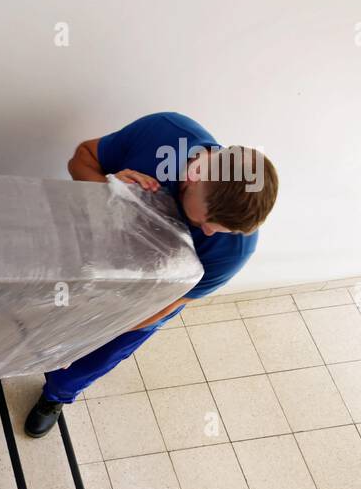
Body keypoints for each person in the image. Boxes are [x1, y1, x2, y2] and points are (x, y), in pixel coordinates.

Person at [24, 111, 278, 437]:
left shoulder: (234, 248)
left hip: (139, 306)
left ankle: (55, 396)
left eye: (219, 229)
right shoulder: (165, 133)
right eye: (202, 223)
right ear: (193, 176)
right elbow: (80, 160)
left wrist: (86, 337)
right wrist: (109, 188)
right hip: (85, 258)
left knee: (92, 358)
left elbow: (164, 307)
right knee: (43, 317)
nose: (209, 234)